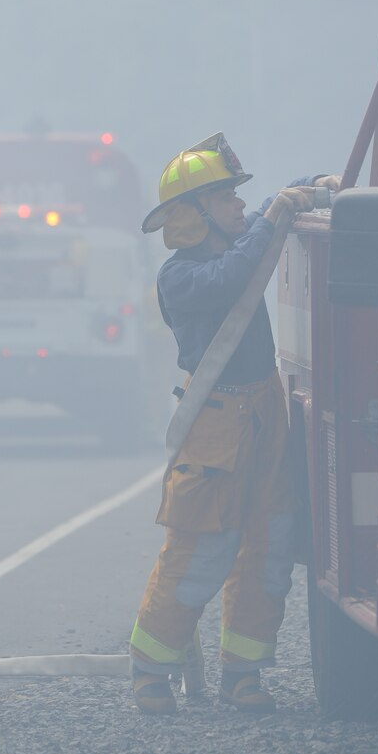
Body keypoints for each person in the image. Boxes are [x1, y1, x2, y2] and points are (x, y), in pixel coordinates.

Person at [130, 133, 340, 715]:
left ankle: (242, 674)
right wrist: (273, 214)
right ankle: (151, 673)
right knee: (201, 550)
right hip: (217, 422)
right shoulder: (182, 277)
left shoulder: (241, 239)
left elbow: (265, 218)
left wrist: (317, 184)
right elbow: (234, 276)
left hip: (264, 410)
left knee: (269, 547)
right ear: (195, 214)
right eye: (226, 199)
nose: (240, 207)